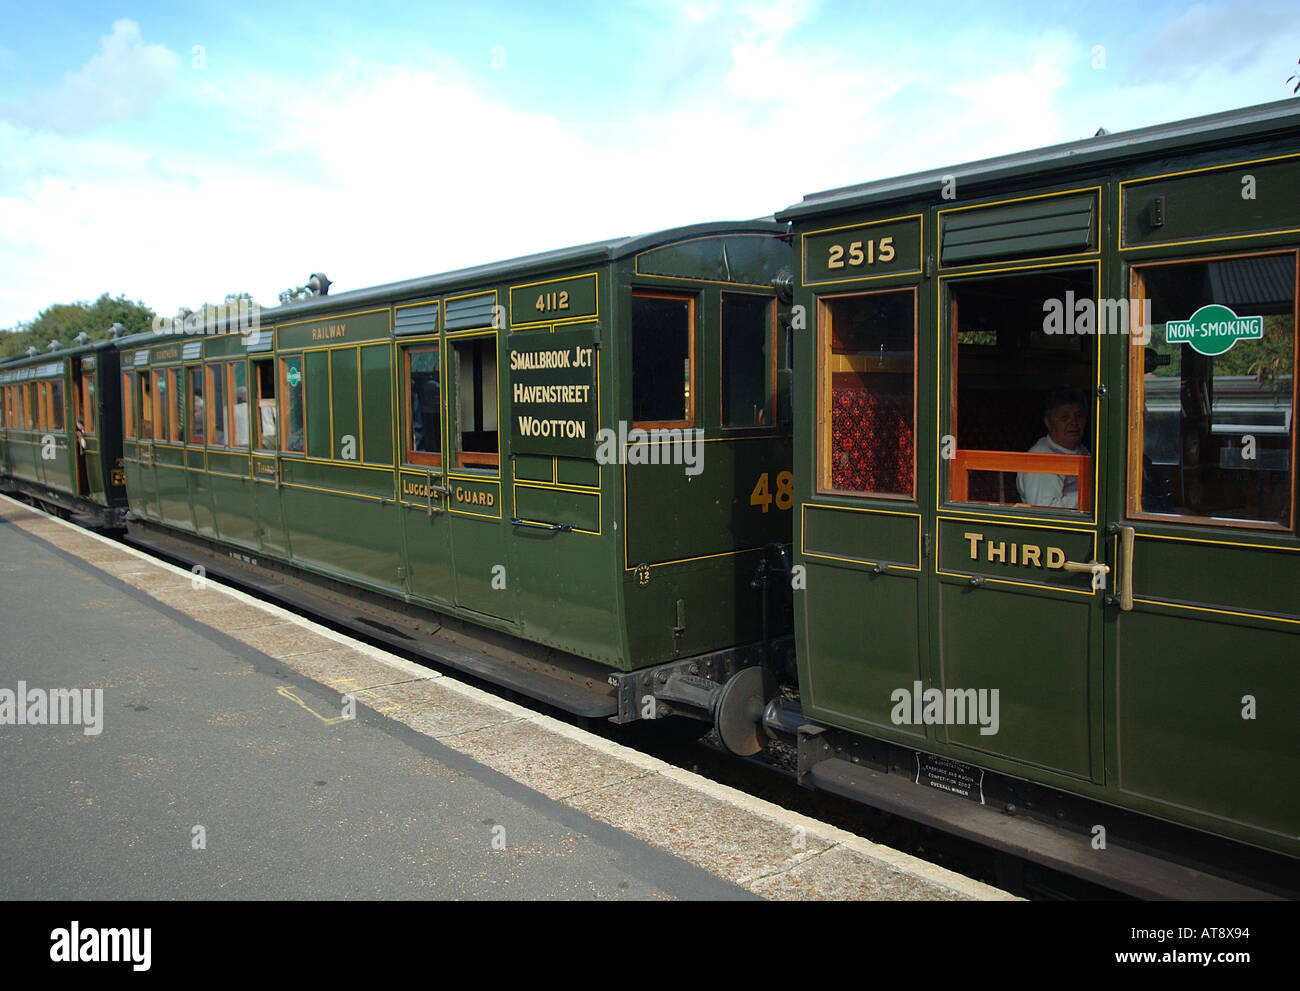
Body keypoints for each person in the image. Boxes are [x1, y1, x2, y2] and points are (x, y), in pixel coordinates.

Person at [1017, 388, 1090, 508]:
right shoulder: (1041, 459)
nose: (1074, 423)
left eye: (1079, 416)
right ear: (1048, 422)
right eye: (1064, 417)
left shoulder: (1082, 450)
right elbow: (1043, 510)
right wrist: (1092, 496)